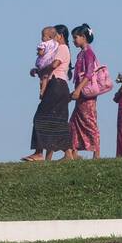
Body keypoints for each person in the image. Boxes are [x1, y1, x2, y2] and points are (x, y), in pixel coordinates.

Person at [24, 24, 74, 161]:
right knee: (58, 121)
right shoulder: (59, 49)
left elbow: (54, 65)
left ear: (60, 36)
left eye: (55, 36)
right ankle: (68, 153)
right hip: (59, 86)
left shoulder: (62, 48)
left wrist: (40, 71)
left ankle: (39, 152)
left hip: (56, 85)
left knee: (40, 117)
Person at [68, 23, 101, 159]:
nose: (74, 40)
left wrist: (78, 90)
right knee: (74, 122)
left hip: (86, 94)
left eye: (76, 37)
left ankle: (96, 153)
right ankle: (74, 152)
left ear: (83, 37)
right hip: (81, 94)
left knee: (89, 122)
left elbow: (88, 74)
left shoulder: (88, 53)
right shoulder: (81, 54)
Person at [33, 26, 59, 98]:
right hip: (50, 61)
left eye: (43, 36)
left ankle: (42, 91)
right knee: (46, 77)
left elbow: (41, 52)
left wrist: (39, 52)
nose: (42, 38)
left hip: (43, 62)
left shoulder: (44, 44)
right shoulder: (56, 43)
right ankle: (44, 90)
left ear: (50, 37)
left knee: (42, 79)